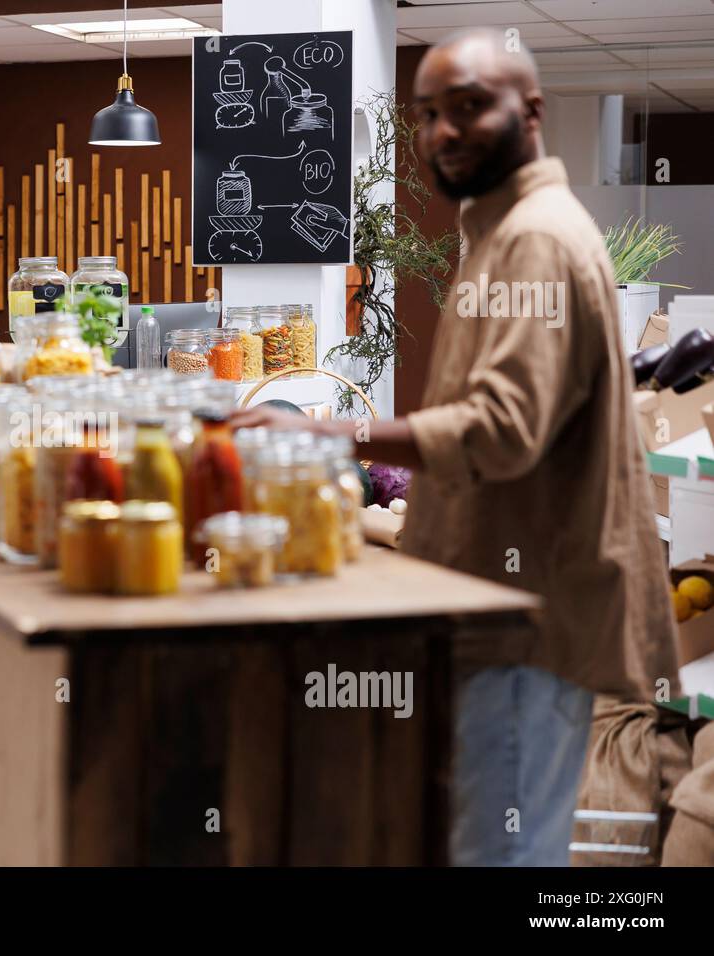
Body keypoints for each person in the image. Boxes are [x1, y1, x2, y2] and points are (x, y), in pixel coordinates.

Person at [233, 29, 679, 865]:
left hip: (527, 619)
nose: (443, 130)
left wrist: (332, 428)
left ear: (532, 111)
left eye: (470, 105)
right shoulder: (504, 229)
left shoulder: (535, 239)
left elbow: (503, 429)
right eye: (428, 113)